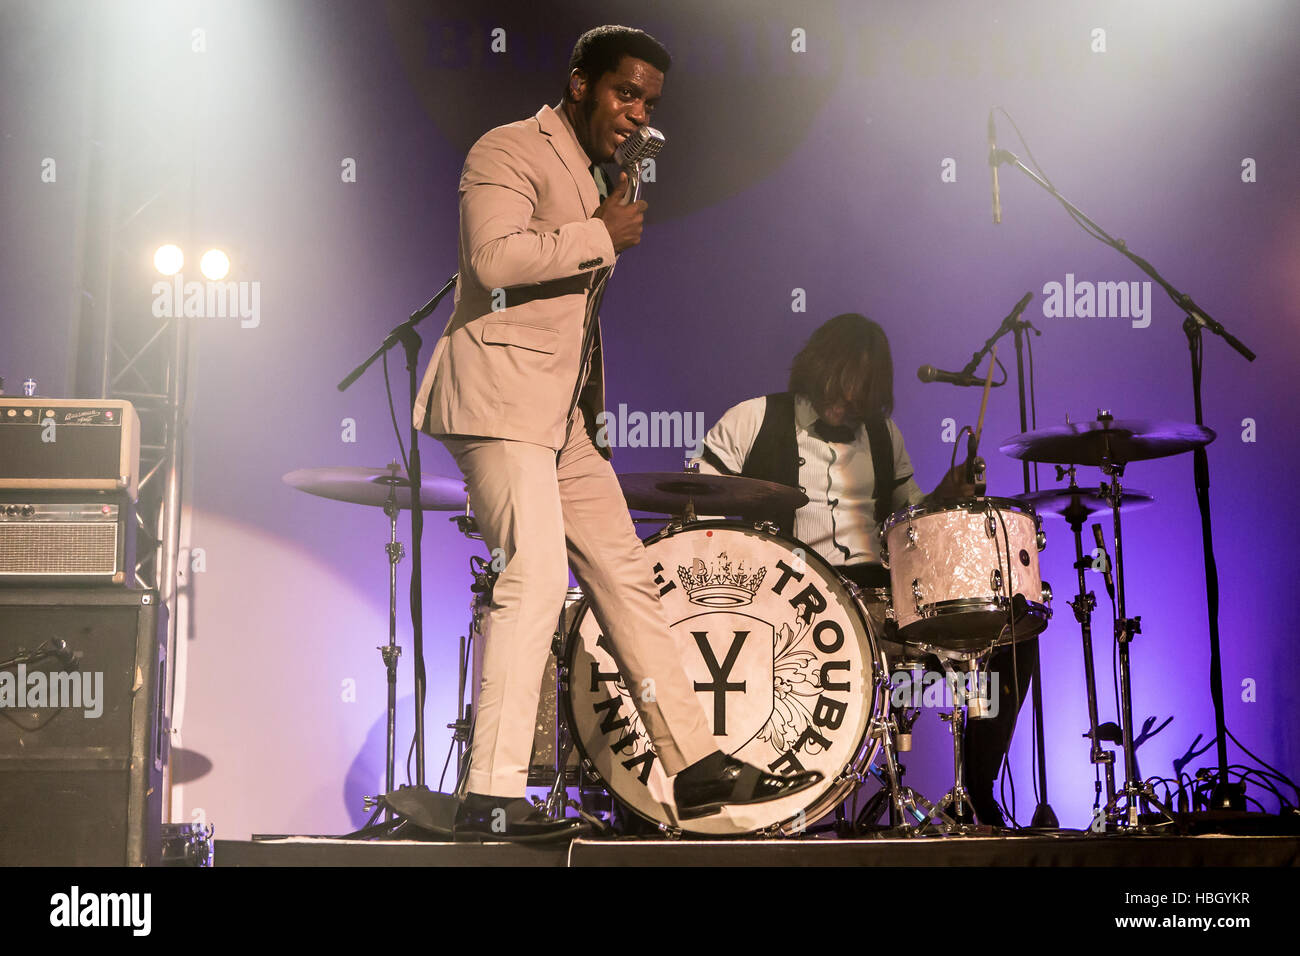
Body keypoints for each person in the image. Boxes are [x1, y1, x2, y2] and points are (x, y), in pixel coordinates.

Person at [413, 25, 821, 840]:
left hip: (556, 419)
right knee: (532, 578)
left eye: (649, 103)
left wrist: (588, 401)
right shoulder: (508, 150)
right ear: (580, 85)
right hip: (496, 400)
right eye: (624, 93)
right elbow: (492, 262)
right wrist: (602, 233)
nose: (637, 113)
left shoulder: (605, 175)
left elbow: (571, 313)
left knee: (627, 573)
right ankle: (490, 795)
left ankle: (696, 766)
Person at [696, 313, 1038, 827]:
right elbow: (702, 512)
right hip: (791, 602)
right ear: (818, 369)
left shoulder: (882, 433)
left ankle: (979, 788)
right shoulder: (753, 419)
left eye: (864, 395)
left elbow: (911, 521)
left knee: (1010, 634)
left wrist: (948, 494)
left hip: (881, 600)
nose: (850, 404)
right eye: (843, 389)